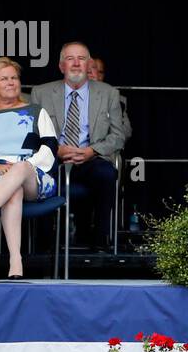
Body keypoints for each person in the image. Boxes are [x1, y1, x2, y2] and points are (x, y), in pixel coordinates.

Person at [0, 58, 59, 279]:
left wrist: (27, 166)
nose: (11, 82)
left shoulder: (36, 111)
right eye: (4, 79)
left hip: (34, 175)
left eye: (14, 78)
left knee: (21, 168)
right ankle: (15, 260)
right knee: (12, 191)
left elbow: (51, 145)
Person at [31, 41, 130, 249]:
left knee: (107, 174)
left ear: (88, 65)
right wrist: (56, 148)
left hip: (91, 158)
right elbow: (32, 135)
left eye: (81, 59)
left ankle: (100, 244)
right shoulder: (41, 93)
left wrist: (92, 151)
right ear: (61, 66)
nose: (76, 63)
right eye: (70, 58)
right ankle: (43, 249)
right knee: (38, 175)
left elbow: (118, 136)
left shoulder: (109, 93)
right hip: (54, 158)